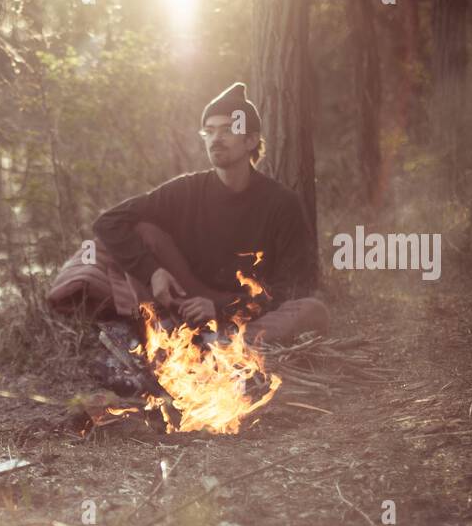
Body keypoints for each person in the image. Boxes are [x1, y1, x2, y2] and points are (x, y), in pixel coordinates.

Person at [48, 82, 329, 345]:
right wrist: (153, 272)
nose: (216, 139)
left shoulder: (282, 203)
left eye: (228, 130)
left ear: (251, 140)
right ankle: (168, 336)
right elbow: (109, 222)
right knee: (142, 230)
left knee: (312, 310)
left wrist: (220, 308)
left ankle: (224, 344)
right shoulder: (187, 190)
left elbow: (291, 288)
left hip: (245, 309)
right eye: (209, 131)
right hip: (187, 300)